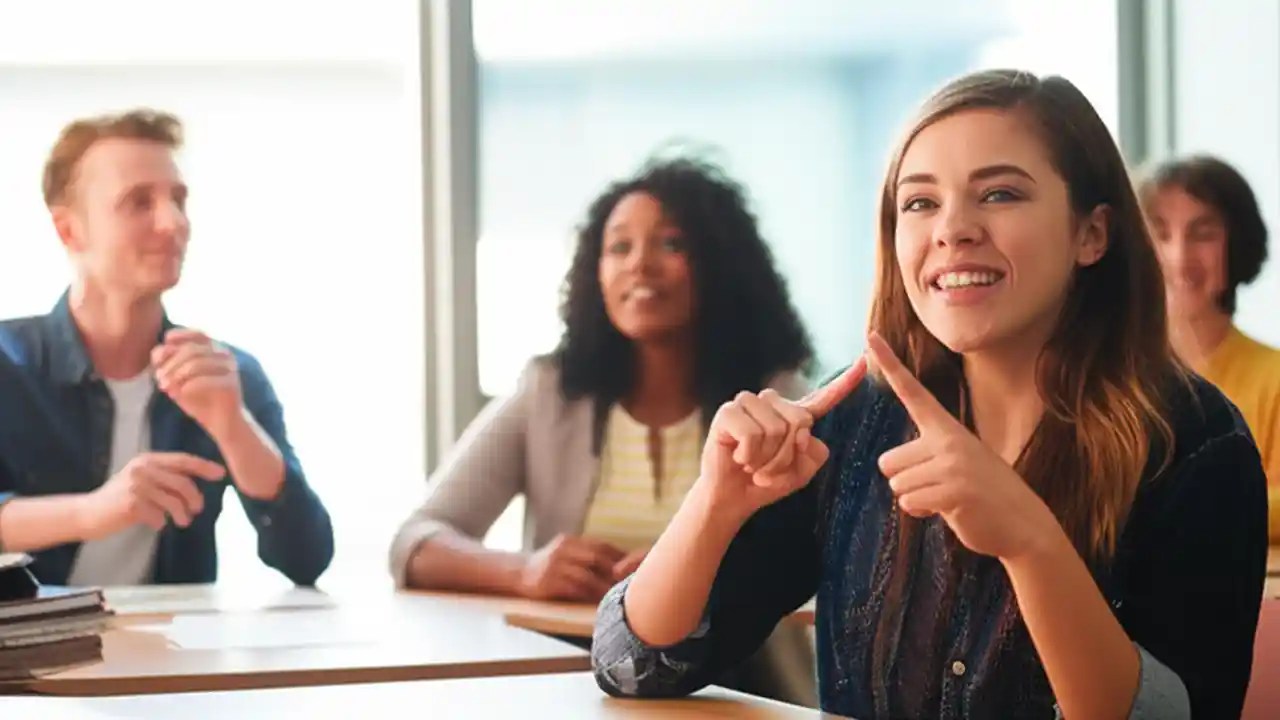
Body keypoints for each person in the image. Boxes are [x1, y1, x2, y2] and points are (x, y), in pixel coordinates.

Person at [593, 70, 1266, 720]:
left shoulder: (1199, 443)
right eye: (919, 202)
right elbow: (633, 664)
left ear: (1092, 234)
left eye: (999, 194)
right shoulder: (853, 421)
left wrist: (1030, 541)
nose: (953, 228)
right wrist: (712, 507)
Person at [390, 157, 815, 701]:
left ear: (721, 265)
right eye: (619, 247)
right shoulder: (549, 392)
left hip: (740, 691)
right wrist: (525, 572)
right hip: (566, 688)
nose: (639, 265)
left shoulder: (778, 399)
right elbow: (414, 543)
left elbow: (832, 572)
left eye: (671, 244)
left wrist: (695, 569)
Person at [0, 109, 333, 587]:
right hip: (26, 657)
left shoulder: (228, 374)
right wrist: (94, 511)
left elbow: (307, 559)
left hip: (172, 656)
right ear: (69, 231)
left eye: (178, 199)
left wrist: (233, 426)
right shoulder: (7, 365)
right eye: (139, 202)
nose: (173, 223)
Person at [1139, 155, 1280, 540]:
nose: (1179, 258)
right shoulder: (1113, 379)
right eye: (1160, 234)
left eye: (1203, 234)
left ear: (1238, 244)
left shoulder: (1275, 379)